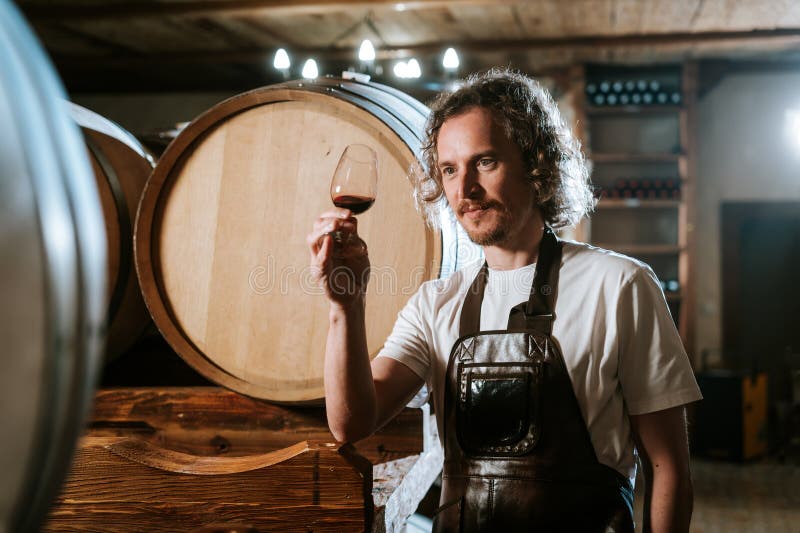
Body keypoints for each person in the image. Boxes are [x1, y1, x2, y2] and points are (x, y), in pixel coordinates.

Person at [307, 68, 702, 532]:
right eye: (450, 170)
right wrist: (345, 308)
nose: (464, 189)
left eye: (486, 162)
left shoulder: (619, 286)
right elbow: (352, 422)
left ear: (536, 164)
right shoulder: (436, 303)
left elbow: (666, 465)